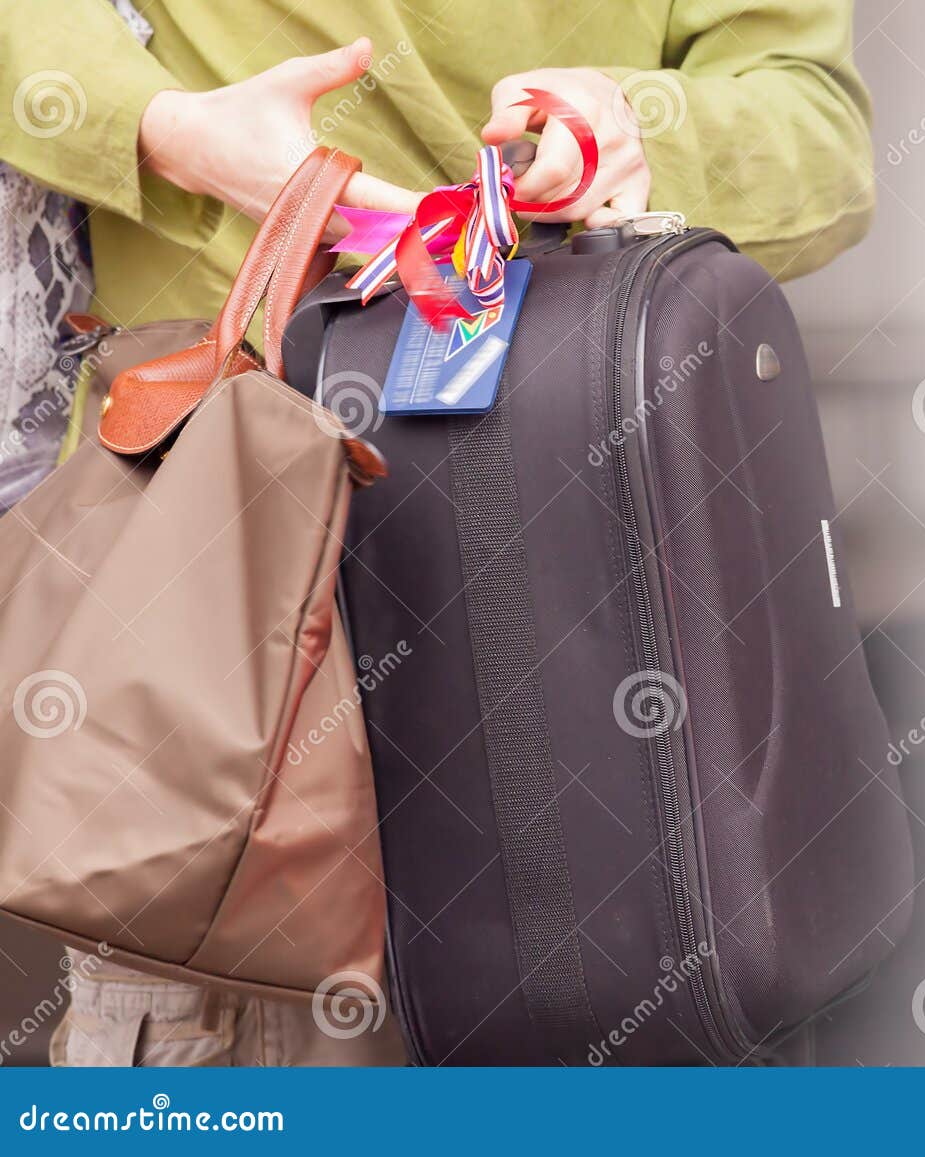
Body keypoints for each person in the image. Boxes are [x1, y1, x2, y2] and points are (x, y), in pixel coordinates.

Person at [0, 0, 874, 1067]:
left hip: (599, 602)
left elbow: (816, 129)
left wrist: (637, 125)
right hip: (227, 616)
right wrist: (163, 130)